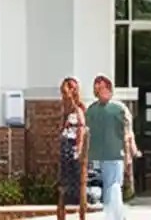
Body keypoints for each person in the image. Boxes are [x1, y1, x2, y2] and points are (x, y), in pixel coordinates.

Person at [84, 74, 129, 220]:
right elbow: (87, 133)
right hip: (97, 156)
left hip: (114, 155)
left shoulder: (118, 108)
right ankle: (116, 216)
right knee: (102, 189)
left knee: (113, 186)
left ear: (109, 89)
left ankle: (115, 216)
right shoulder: (90, 110)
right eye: (97, 89)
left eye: (101, 88)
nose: (99, 91)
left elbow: (127, 133)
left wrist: (128, 153)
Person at [56, 77, 87, 220]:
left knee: (78, 189)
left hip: (73, 151)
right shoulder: (65, 111)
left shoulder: (78, 109)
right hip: (65, 150)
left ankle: (81, 215)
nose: (63, 96)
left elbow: (81, 130)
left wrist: (78, 151)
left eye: (65, 93)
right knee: (62, 188)